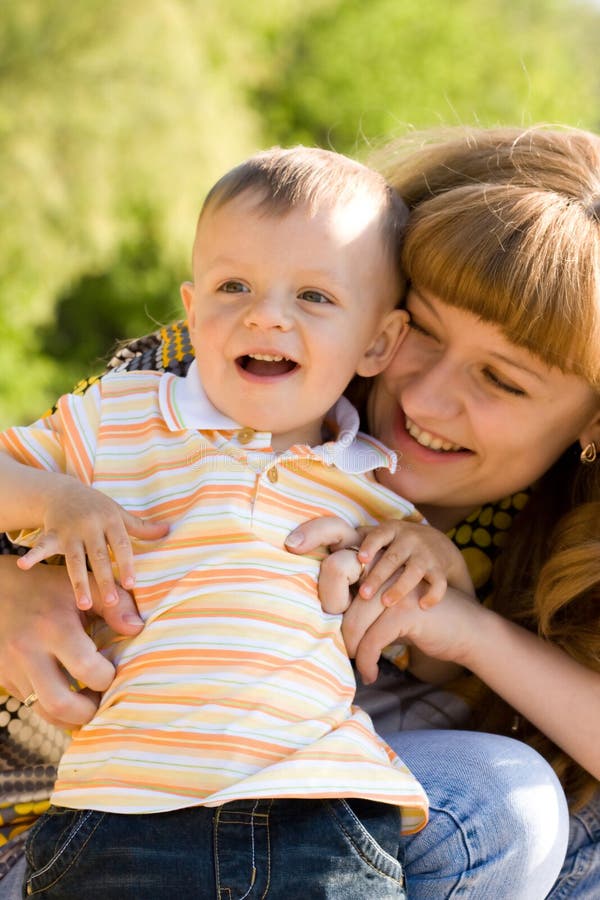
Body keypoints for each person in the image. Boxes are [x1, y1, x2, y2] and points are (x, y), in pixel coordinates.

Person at [2, 123, 599, 897]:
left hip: (319, 813)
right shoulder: (229, 362)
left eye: (504, 382)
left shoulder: (562, 524)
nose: (424, 397)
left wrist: (470, 630)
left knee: (524, 806)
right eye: (423, 332)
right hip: (84, 801)